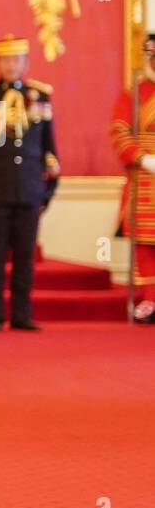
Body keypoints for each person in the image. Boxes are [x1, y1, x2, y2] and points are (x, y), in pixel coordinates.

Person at [0, 34, 60, 331]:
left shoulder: (39, 96)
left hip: (29, 189)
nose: (11, 65)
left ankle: (21, 314)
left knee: (25, 257)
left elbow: (48, 147)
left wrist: (49, 188)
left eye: (17, 60)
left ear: (25, 63)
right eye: (5, 60)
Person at [109, 34, 155, 322]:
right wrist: (143, 158)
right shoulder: (134, 94)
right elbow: (119, 132)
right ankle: (150, 300)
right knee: (147, 243)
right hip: (146, 178)